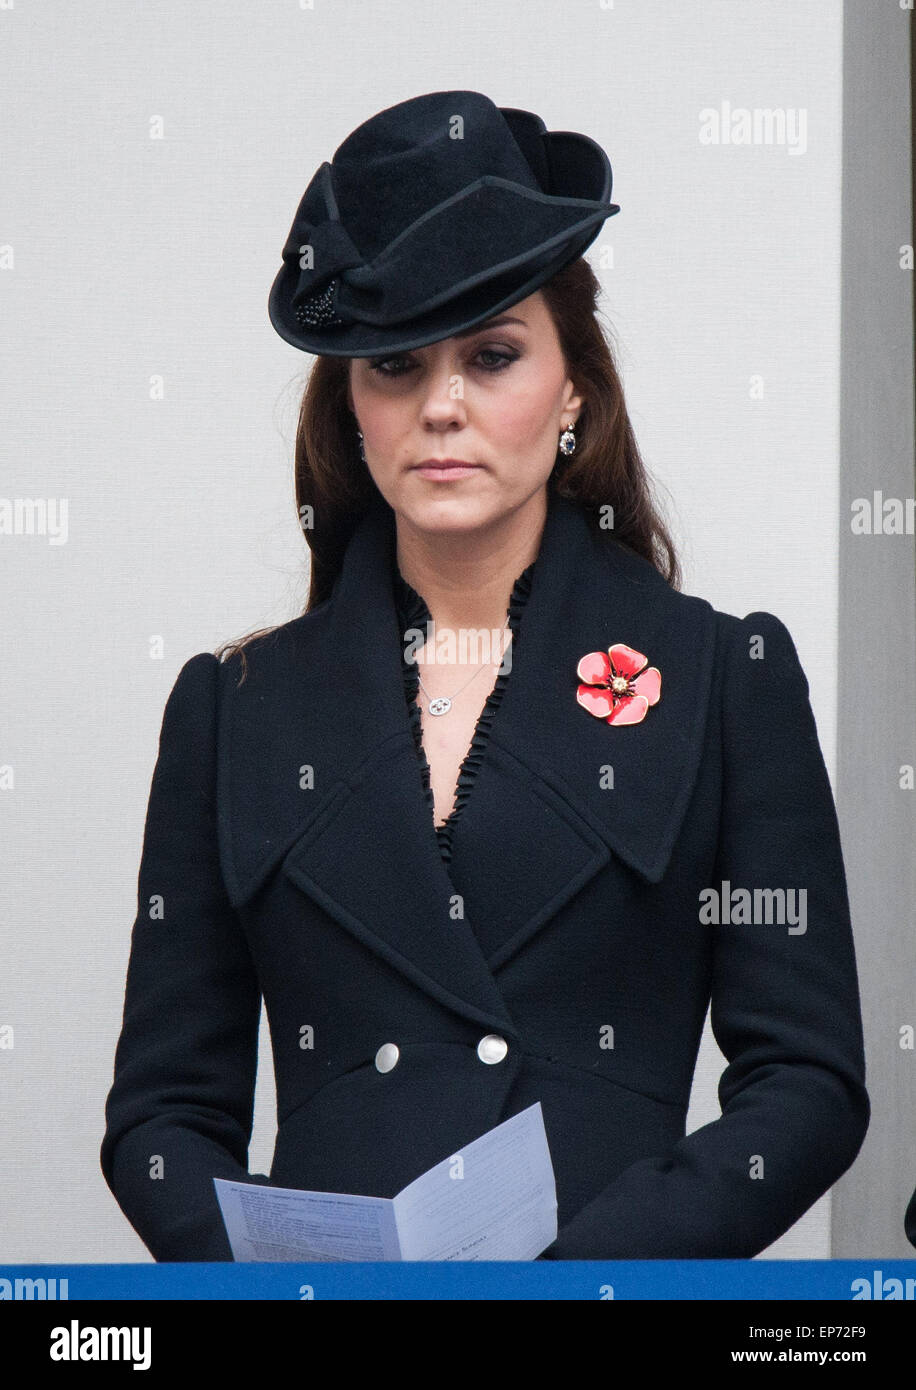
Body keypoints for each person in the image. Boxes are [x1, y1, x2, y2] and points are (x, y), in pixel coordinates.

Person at [100, 90, 869, 1262]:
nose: (442, 406)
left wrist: (591, 1281)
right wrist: (279, 1289)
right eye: (396, 364)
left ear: (572, 391)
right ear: (351, 403)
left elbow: (807, 1083)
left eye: (493, 355)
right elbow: (161, 1116)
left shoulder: (725, 676)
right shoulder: (234, 707)